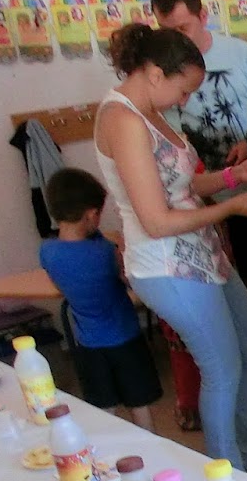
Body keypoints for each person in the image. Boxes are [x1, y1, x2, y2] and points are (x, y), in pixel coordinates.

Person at [94, 23, 247, 473]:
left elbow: (182, 183)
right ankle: (228, 480)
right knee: (223, 370)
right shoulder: (123, 120)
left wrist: (234, 177)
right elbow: (156, 221)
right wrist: (232, 211)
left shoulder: (150, 111)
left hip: (202, 254)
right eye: (183, 90)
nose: (185, 101)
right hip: (167, 266)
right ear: (155, 73)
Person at [151, 0, 247, 353]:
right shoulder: (160, 75)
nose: (177, 38)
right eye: (166, 31)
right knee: (242, 270)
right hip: (203, 192)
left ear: (203, 17)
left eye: (183, 29)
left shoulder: (238, 53)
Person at [39, 168, 162, 432]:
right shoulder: (105, 251)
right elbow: (130, 279)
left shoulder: (47, 252)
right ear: (91, 214)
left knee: (104, 412)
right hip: (125, 338)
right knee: (139, 406)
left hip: (88, 347)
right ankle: (152, 452)